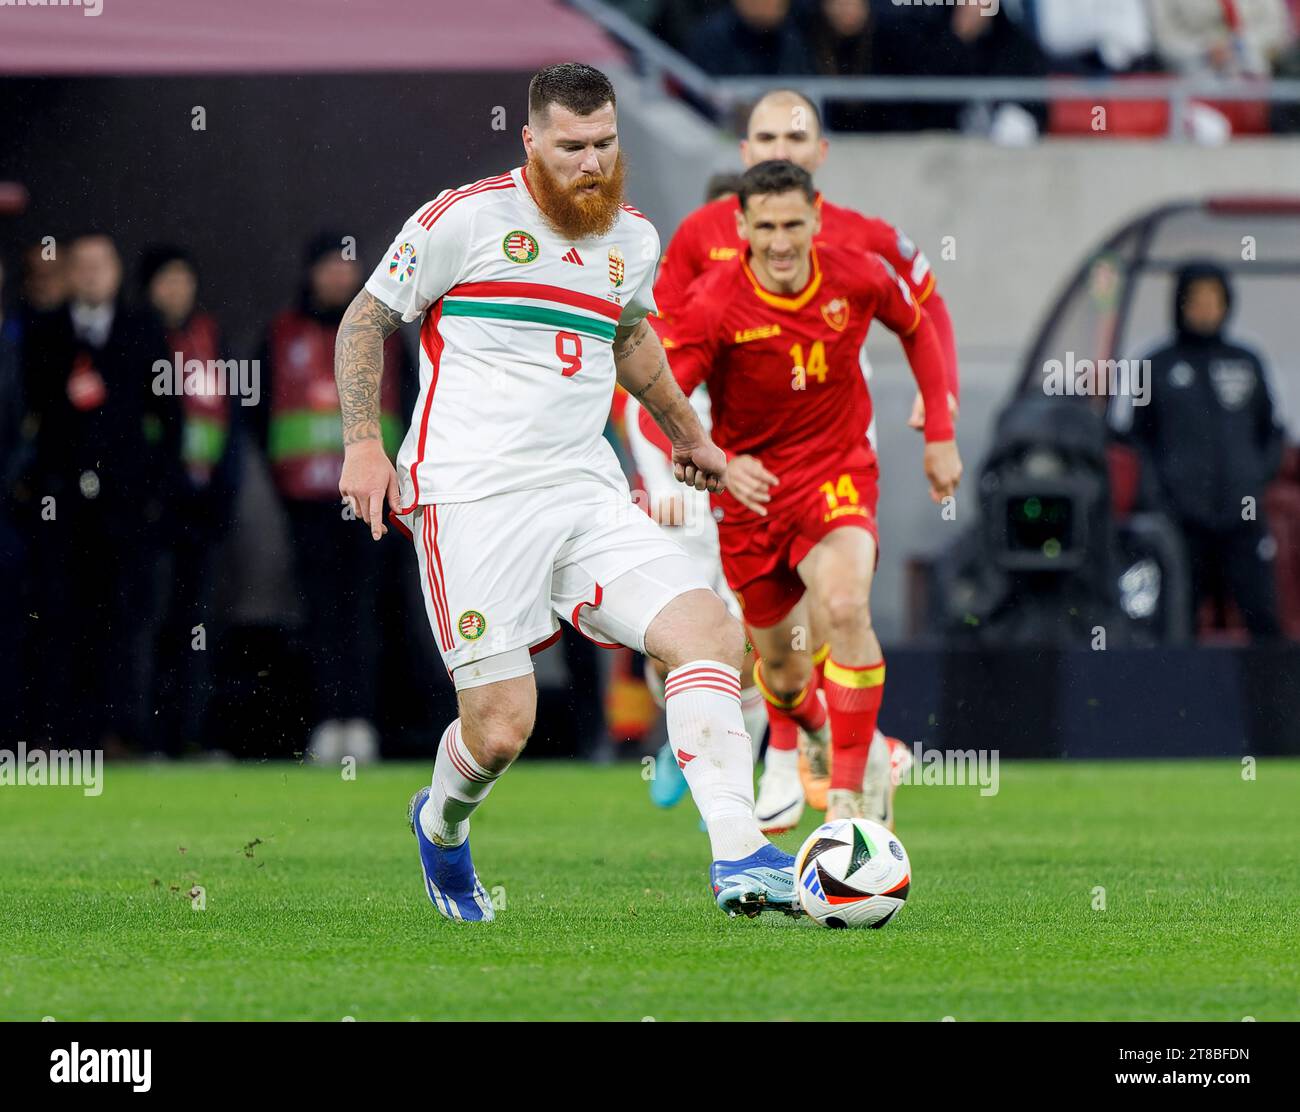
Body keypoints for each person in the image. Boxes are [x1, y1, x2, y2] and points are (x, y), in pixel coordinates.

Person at [336, 62, 800, 922]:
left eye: (606, 143)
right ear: (531, 142)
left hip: (585, 489)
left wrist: (688, 434)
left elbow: (628, 336)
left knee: (708, 631)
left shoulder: (631, 238)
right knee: (502, 728)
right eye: (572, 147)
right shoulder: (464, 218)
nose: (592, 163)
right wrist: (365, 443)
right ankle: (440, 827)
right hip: (469, 499)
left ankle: (742, 855)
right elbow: (366, 319)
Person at [650, 88, 955, 828]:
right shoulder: (712, 288)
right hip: (747, 494)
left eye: (795, 225)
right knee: (782, 679)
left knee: (846, 607)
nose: (782, 243)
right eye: (767, 228)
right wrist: (709, 458)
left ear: (817, 212)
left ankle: (848, 804)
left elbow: (918, 319)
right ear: (742, 225)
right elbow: (659, 392)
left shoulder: (857, 261)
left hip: (837, 469)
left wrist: (940, 422)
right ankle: (820, 741)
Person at [17, 232, 180, 746]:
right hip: (59, 505)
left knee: (124, 616)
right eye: (80, 265)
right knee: (59, 615)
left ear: (116, 272)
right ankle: (60, 733)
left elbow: (169, 418)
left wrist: (153, 490)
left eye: (100, 265)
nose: (90, 275)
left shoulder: (143, 329)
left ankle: (121, 731)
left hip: (124, 506)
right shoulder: (43, 333)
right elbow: (27, 416)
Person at [256, 233, 406, 762]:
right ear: (311, 273)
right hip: (309, 505)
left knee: (365, 613)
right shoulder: (281, 335)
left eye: (348, 268)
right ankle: (325, 722)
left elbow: (410, 412)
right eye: (329, 267)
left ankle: (361, 723)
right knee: (321, 616)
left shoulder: (385, 336)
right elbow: (259, 418)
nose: (339, 277)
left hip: (372, 504)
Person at [1111, 261, 1285, 639]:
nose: (1205, 308)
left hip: (1242, 519)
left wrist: (1255, 477)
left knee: (1265, 622)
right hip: (1181, 523)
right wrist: (1159, 498)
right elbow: (1138, 439)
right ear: (1180, 304)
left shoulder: (1246, 361)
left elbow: (1271, 431)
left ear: (1226, 304)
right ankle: (1178, 699)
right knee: (1176, 623)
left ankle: (1273, 698)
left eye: (1214, 299)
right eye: (1197, 299)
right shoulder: (1154, 365)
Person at [140, 245, 242, 752]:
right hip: (156, 509)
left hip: (203, 509)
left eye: (183, 279)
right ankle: (146, 735)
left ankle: (190, 735)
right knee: (151, 619)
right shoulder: (138, 337)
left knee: (197, 623)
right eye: (165, 280)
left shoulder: (209, 337)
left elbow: (228, 420)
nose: (175, 290)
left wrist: (223, 491)